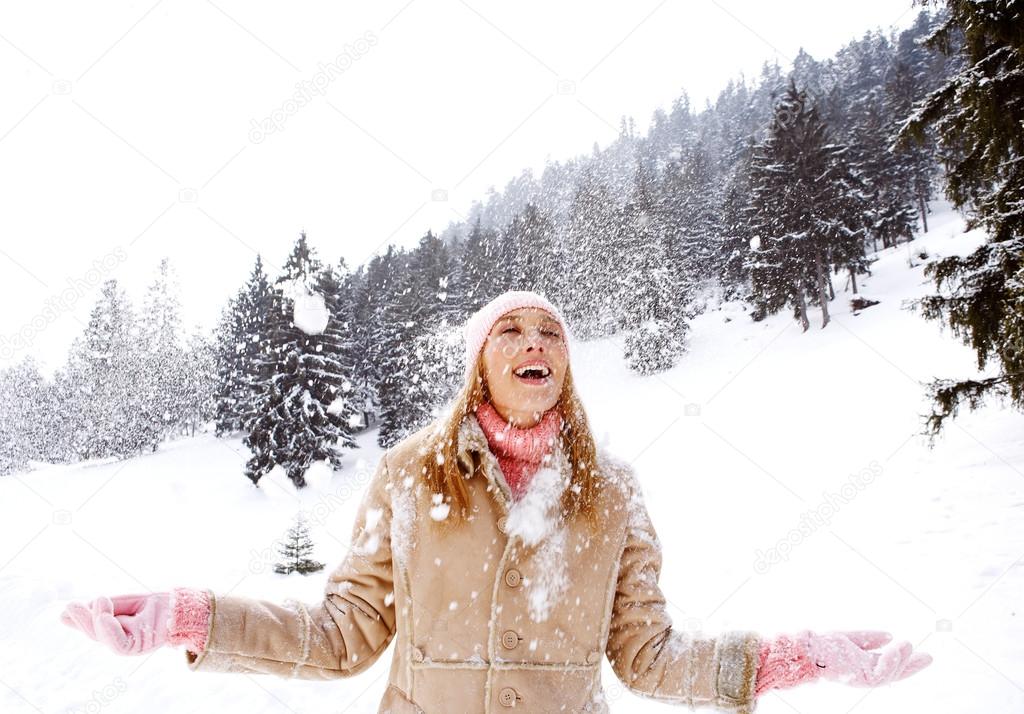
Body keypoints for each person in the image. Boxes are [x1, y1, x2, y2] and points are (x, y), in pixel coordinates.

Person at [61, 290, 932, 712]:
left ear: (565, 366)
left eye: (551, 331)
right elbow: (340, 637)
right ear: (480, 362)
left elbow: (648, 655)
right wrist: (186, 618)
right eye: (510, 330)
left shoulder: (613, 494)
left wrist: (803, 658)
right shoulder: (410, 474)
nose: (534, 342)